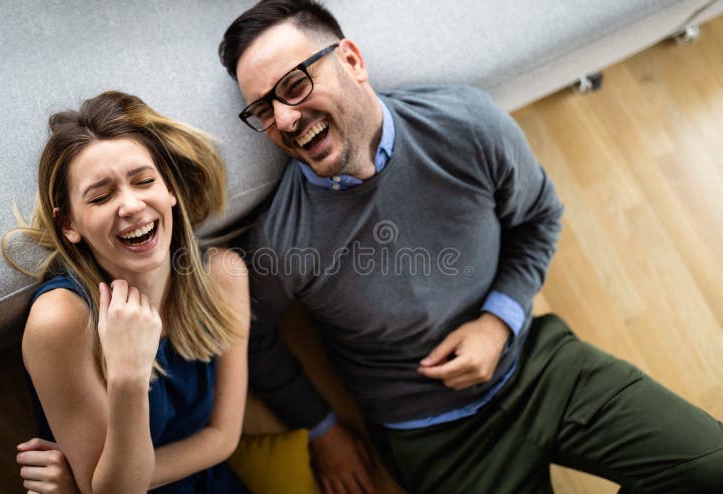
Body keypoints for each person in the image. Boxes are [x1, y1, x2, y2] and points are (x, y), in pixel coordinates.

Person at [216, 1, 723, 493]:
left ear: (352, 61)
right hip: (436, 439)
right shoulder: (281, 242)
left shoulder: (469, 124)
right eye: (264, 108)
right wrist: (322, 429)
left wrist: (499, 320)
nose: (283, 120)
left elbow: (540, 217)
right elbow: (251, 342)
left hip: (539, 366)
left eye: (294, 85)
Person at [3, 91, 251, 493]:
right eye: (101, 196)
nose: (131, 205)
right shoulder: (62, 321)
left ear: (169, 189)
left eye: (144, 181)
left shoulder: (224, 275)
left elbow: (223, 437)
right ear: (69, 224)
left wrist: (89, 486)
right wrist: (128, 376)